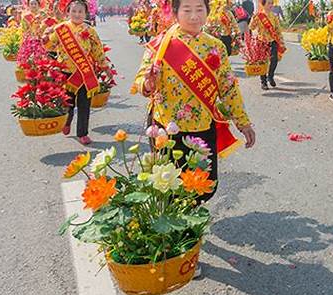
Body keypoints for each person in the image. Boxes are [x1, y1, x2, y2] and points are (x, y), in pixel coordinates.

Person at [133, 0, 256, 210]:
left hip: (201, 126)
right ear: (175, 12)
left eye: (199, 9)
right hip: (166, 128)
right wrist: (147, 82)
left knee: (205, 184)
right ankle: (179, 231)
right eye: (187, 10)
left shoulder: (215, 46)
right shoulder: (161, 44)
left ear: (207, 11)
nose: (193, 16)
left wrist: (243, 123)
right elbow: (140, 81)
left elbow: (228, 88)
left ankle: (187, 216)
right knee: (167, 185)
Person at [43, 0, 110, 145]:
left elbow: (97, 50)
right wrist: (45, 38)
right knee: (67, 103)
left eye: (80, 11)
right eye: (74, 11)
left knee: (84, 104)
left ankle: (82, 133)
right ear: (68, 12)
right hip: (65, 72)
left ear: (86, 13)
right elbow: (49, 45)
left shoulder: (90, 30)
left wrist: (104, 66)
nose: (77, 14)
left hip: (84, 73)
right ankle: (66, 122)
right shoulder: (60, 28)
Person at [249, 0, 286, 90]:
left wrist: (281, 41)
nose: (271, 5)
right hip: (261, 41)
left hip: (272, 41)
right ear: (263, 4)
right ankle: (263, 82)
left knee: (274, 60)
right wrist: (253, 18)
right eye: (269, 3)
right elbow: (251, 27)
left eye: (272, 3)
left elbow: (278, 30)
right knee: (263, 62)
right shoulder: (258, 15)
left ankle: (270, 76)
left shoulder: (274, 16)